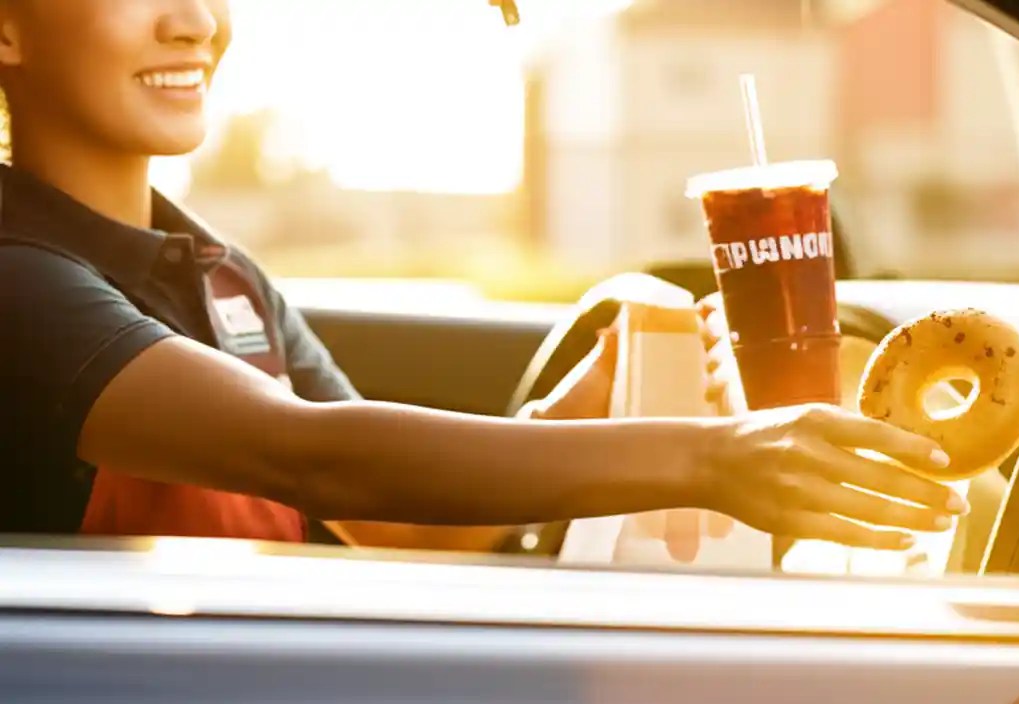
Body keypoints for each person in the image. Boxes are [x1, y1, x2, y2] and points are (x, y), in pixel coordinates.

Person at [0, 0, 967, 551]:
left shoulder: (224, 278)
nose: (196, 22)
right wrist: (717, 456)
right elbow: (307, 453)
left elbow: (389, 524)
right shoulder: (16, 283)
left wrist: (578, 414)